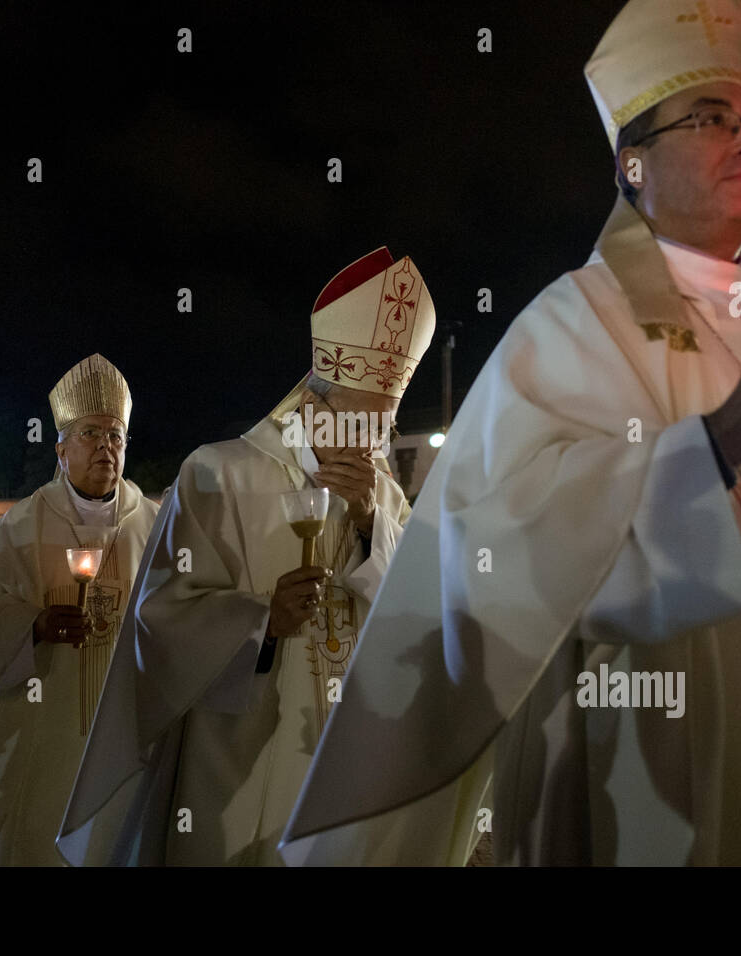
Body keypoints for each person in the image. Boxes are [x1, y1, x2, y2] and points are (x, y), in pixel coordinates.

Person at [280, 0, 741, 867]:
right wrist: (719, 440)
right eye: (714, 118)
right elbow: (497, 548)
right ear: (633, 164)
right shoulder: (571, 323)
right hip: (646, 762)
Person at [60, 250, 455, 867]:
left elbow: (423, 605)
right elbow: (160, 617)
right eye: (365, 421)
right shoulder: (218, 474)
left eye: (387, 422)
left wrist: (367, 523)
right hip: (242, 749)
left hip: (347, 744)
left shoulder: (381, 492)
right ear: (315, 405)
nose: (377, 441)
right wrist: (259, 620)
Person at [0, 354, 160, 865]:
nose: (106, 447)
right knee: (36, 826)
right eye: (90, 434)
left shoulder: (153, 524)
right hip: (42, 708)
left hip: (126, 716)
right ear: (62, 448)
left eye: (116, 436)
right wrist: (35, 624)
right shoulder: (24, 524)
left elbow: (176, 606)